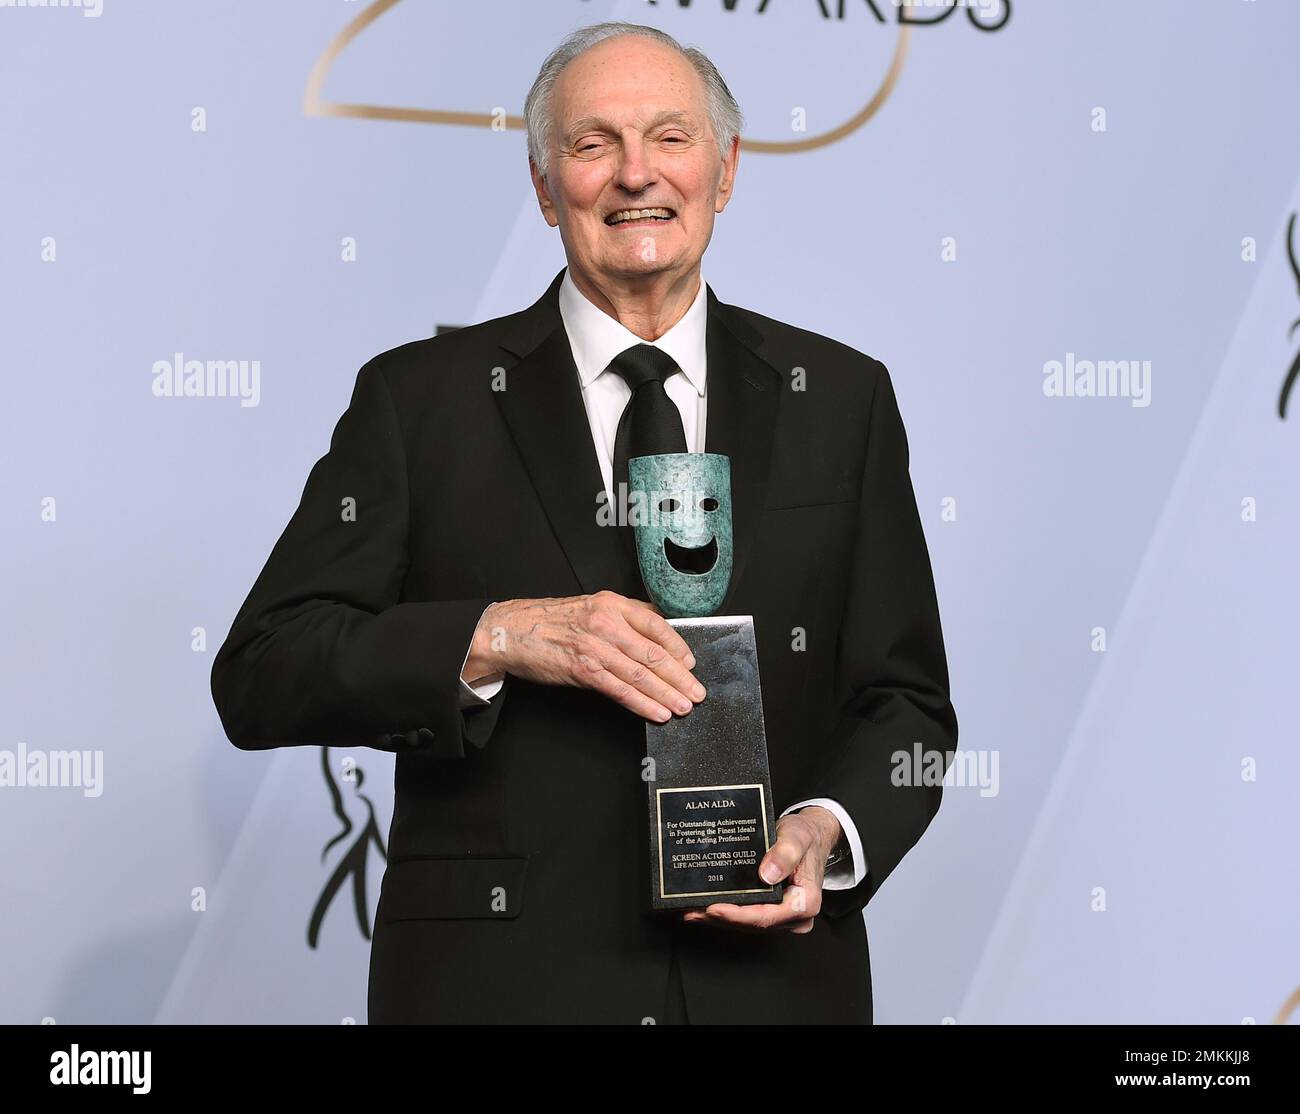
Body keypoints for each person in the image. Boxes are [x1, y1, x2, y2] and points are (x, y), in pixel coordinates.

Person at [211, 20, 957, 1024]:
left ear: (725, 170)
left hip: (770, 992)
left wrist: (829, 828)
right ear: (542, 181)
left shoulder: (839, 397)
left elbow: (904, 699)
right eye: (593, 143)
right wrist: (499, 636)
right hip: (501, 990)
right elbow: (262, 670)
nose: (635, 174)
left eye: (670, 137)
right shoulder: (420, 401)